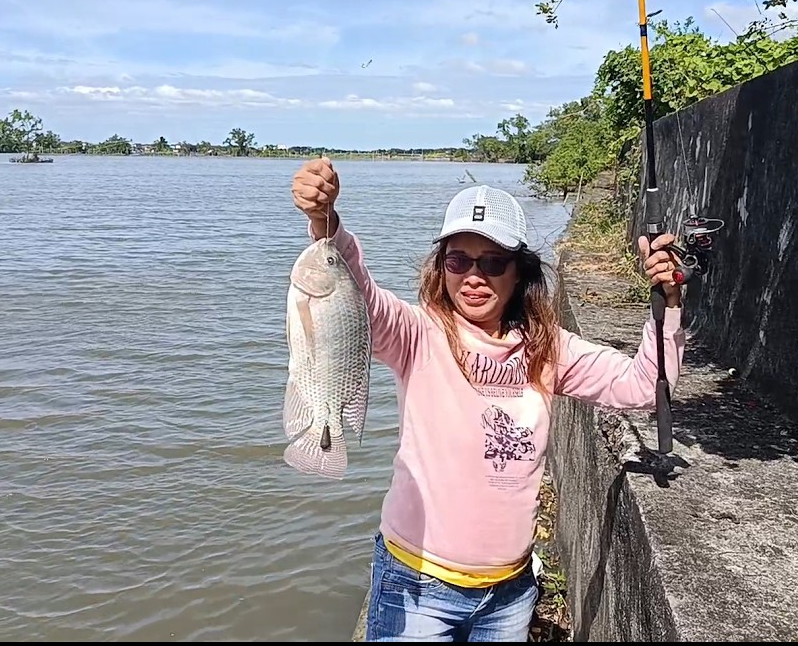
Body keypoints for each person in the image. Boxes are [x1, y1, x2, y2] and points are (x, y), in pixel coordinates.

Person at [289, 156, 686, 642]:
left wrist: (668, 303)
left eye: (493, 262)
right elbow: (358, 294)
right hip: (415, 585)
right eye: (458, 261)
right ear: (443, 268)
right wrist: (325, 222)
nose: (474, 277)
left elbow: (643, 385)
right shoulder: (417, 334)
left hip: (509, 594)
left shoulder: (549, 348)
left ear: (519, 273)